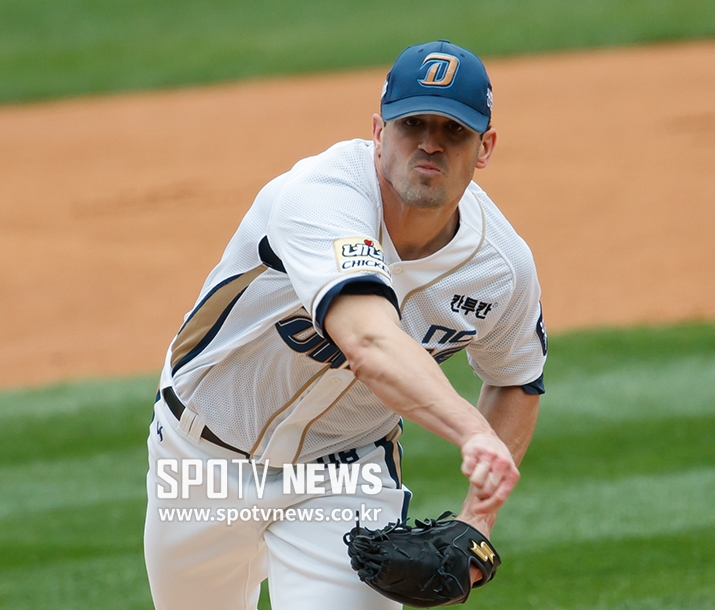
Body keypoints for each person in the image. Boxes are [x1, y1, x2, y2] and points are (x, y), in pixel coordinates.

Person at [144, 39, 547, 610]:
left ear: (485, 148)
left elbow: (516, 377)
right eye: (412, 124)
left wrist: (476, 520)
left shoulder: (501, 267)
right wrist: (471, 431)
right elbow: (367, 339)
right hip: (200, 455)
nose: (430, 144)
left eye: (454, 130)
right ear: (379, 132)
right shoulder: (319, 195)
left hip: (345, 472)